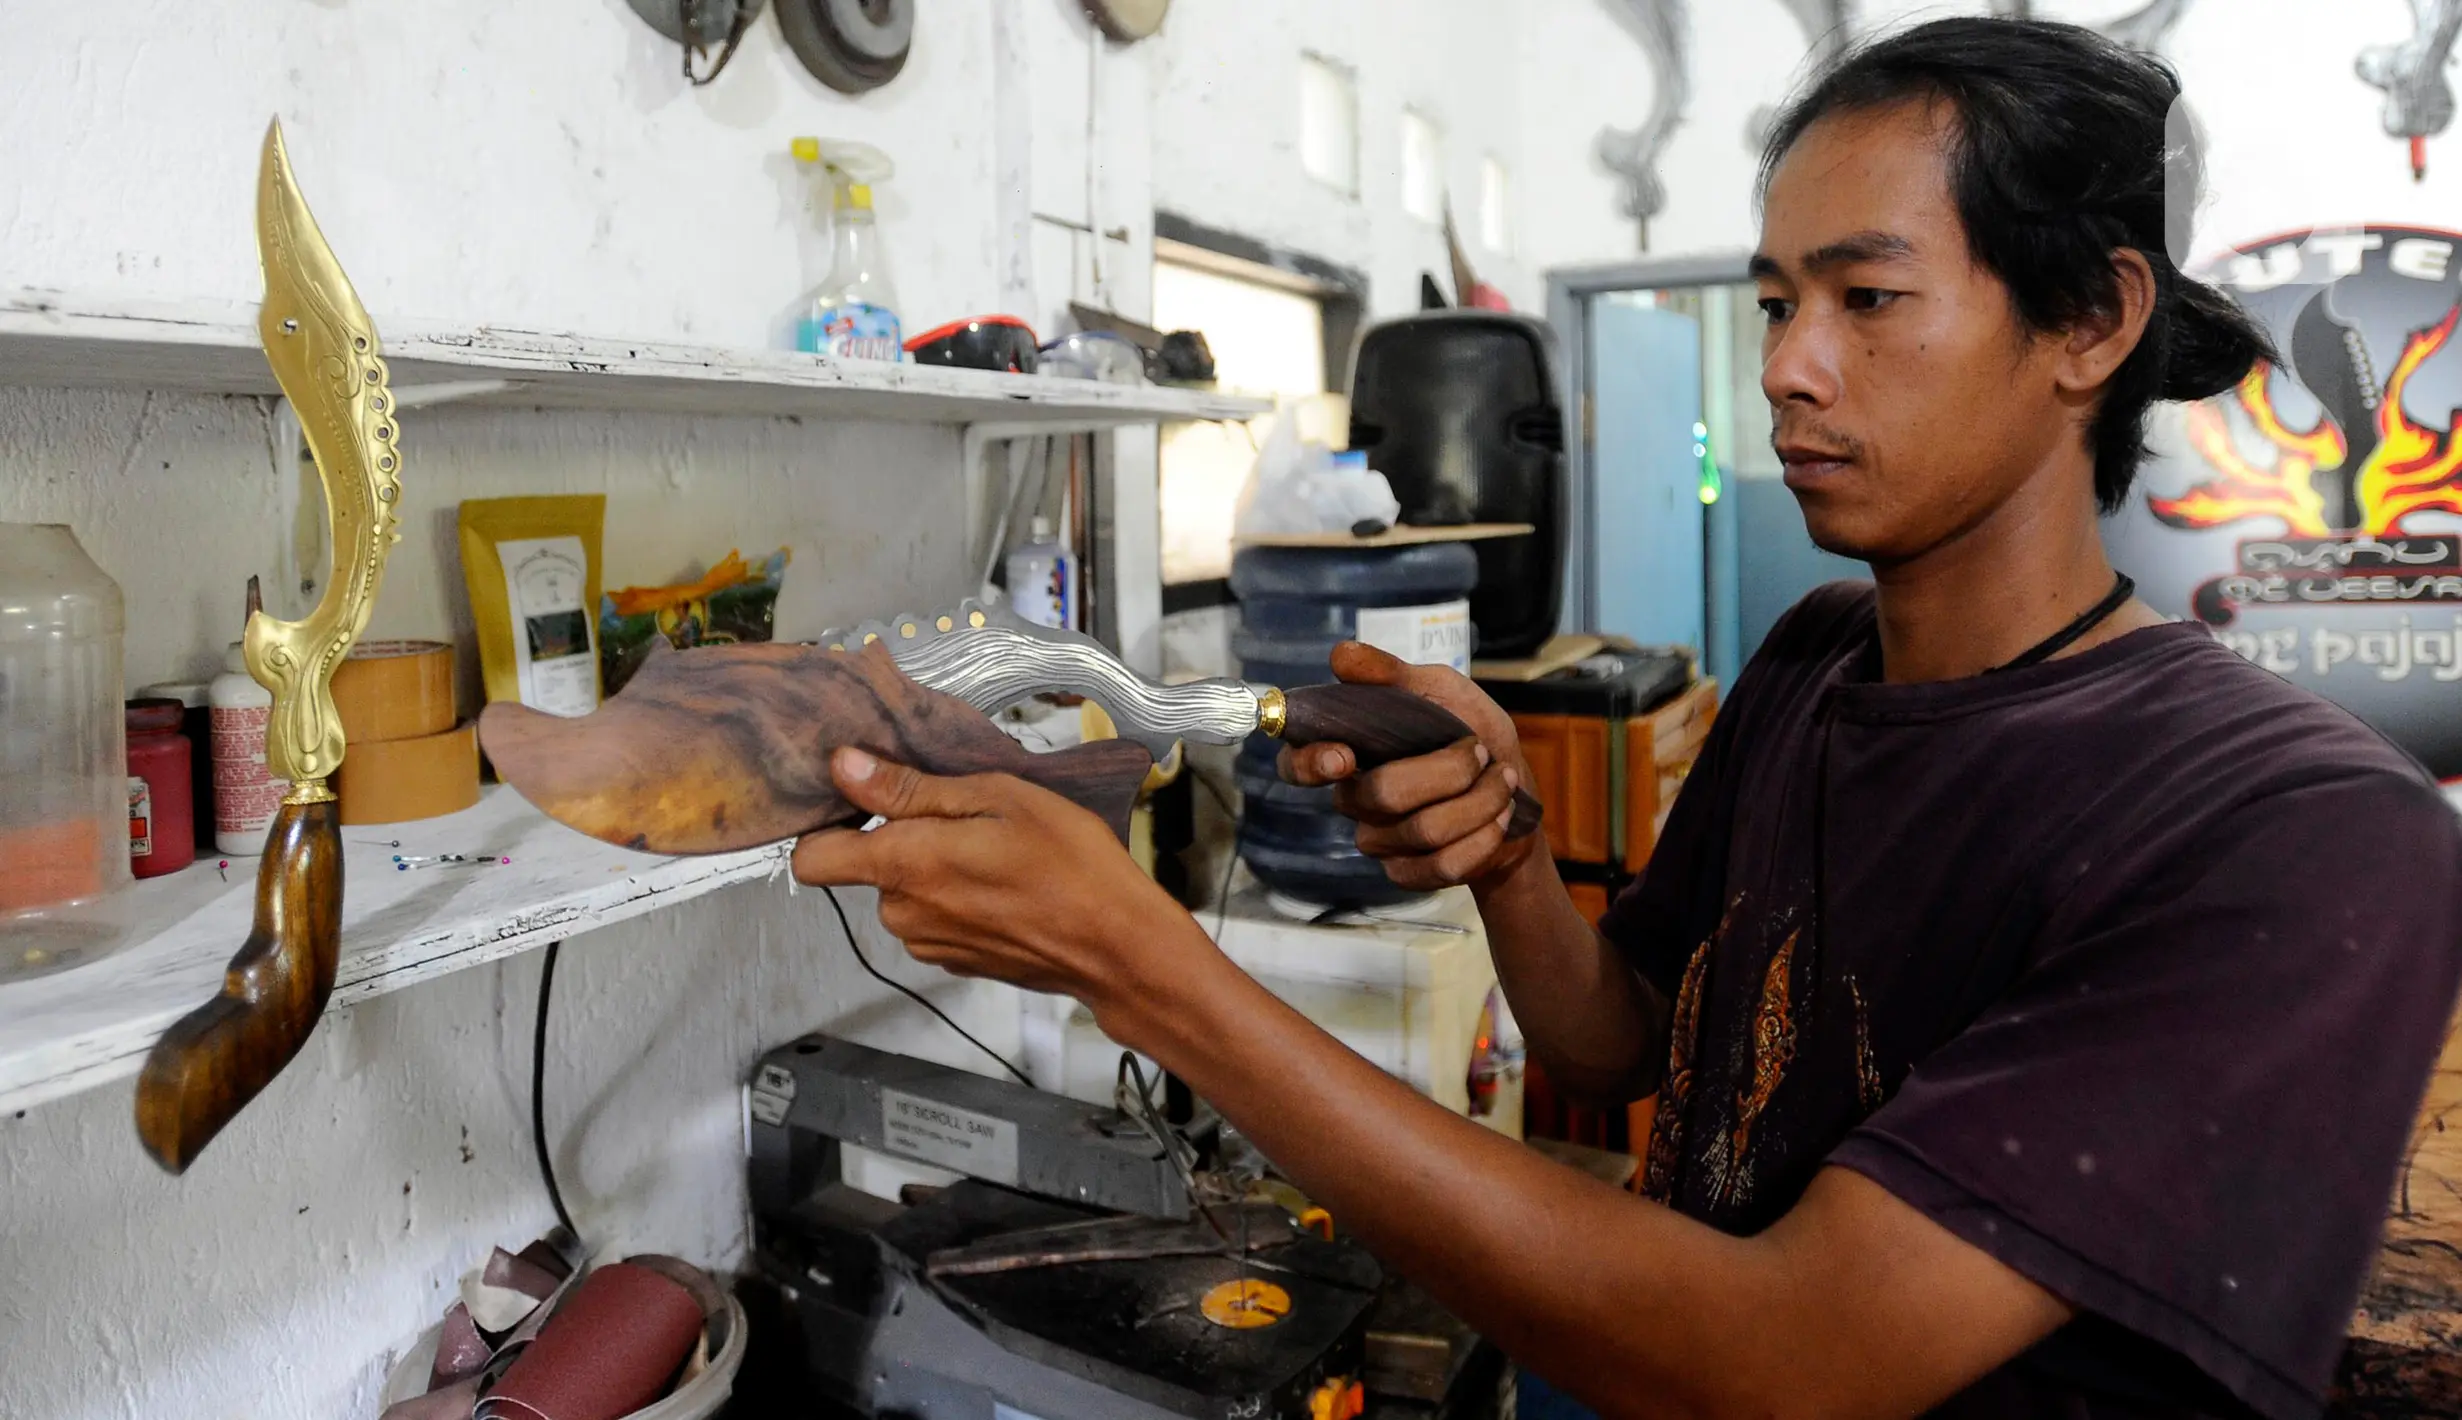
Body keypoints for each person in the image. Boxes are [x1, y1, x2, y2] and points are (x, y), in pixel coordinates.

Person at [792, 18, 2462, 1419]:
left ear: (2088, 322)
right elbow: (1622, 1051)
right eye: (1772, 304)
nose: (1789, 369)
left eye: (1865, 301)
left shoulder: (2289, 836)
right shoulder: (1820, 660)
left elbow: (1794, 1359)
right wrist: (1508, 853)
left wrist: (1139, 963)